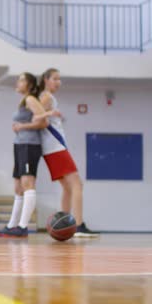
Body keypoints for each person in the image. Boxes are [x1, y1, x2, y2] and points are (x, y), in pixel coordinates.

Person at [32, 68, 99, 237]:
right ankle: (78, 224)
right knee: (77, 184)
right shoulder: (47, 97)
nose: (58, 82)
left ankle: (63, 225)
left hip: (53, 148)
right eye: (55, 78)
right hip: (55, 147)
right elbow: (35, 119)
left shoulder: (47, 97)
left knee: (68, 187)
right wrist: (50, 113)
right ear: (46, 79)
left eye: (59, 79)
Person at [1, 73, 48, 237]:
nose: (18, 82)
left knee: (28, 184)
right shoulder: (24, 100)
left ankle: (23, 226)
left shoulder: (30, 99)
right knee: (18, 187)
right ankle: (12, 224)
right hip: (20, 145)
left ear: (28, 84)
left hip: (30, 145)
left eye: (21, 80)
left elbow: (44, 121)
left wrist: (22, 127)